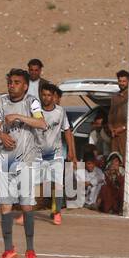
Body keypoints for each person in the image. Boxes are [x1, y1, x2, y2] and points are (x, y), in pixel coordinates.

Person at [0, 68, 46, 258]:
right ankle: (9, 249)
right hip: (7, 161)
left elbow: (41, 123)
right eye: (10, 82)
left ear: (25, 85)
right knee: (5, 206)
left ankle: (30, 250)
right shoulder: (1, 101)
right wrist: (1, 135)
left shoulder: (31, 101)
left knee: (26, 207)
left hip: (26, 160)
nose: (12, 85)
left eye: (17, 82)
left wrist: (19, 117)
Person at [37, 82, 76, 224]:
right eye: (44, 95)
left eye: (49, 95)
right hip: (38, 153)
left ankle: (57, 212)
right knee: (32, 183)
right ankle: (26, 211)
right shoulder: (35, 111)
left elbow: (67, 130)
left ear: (54, 97)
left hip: (56, 153)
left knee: (58, 183)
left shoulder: (60, 111)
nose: (46, 98)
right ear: (41, 95)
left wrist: (71, 151)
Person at [107, 70, 129, 153]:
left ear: (128, 82)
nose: (121, 83)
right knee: (114, 159)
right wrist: (112, 129)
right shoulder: (114, 97)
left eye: (124, 81)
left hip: (126, 134)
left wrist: (123, 128)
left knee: (125, 160)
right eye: (120, 81)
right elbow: (110, 115)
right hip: (115, 134)